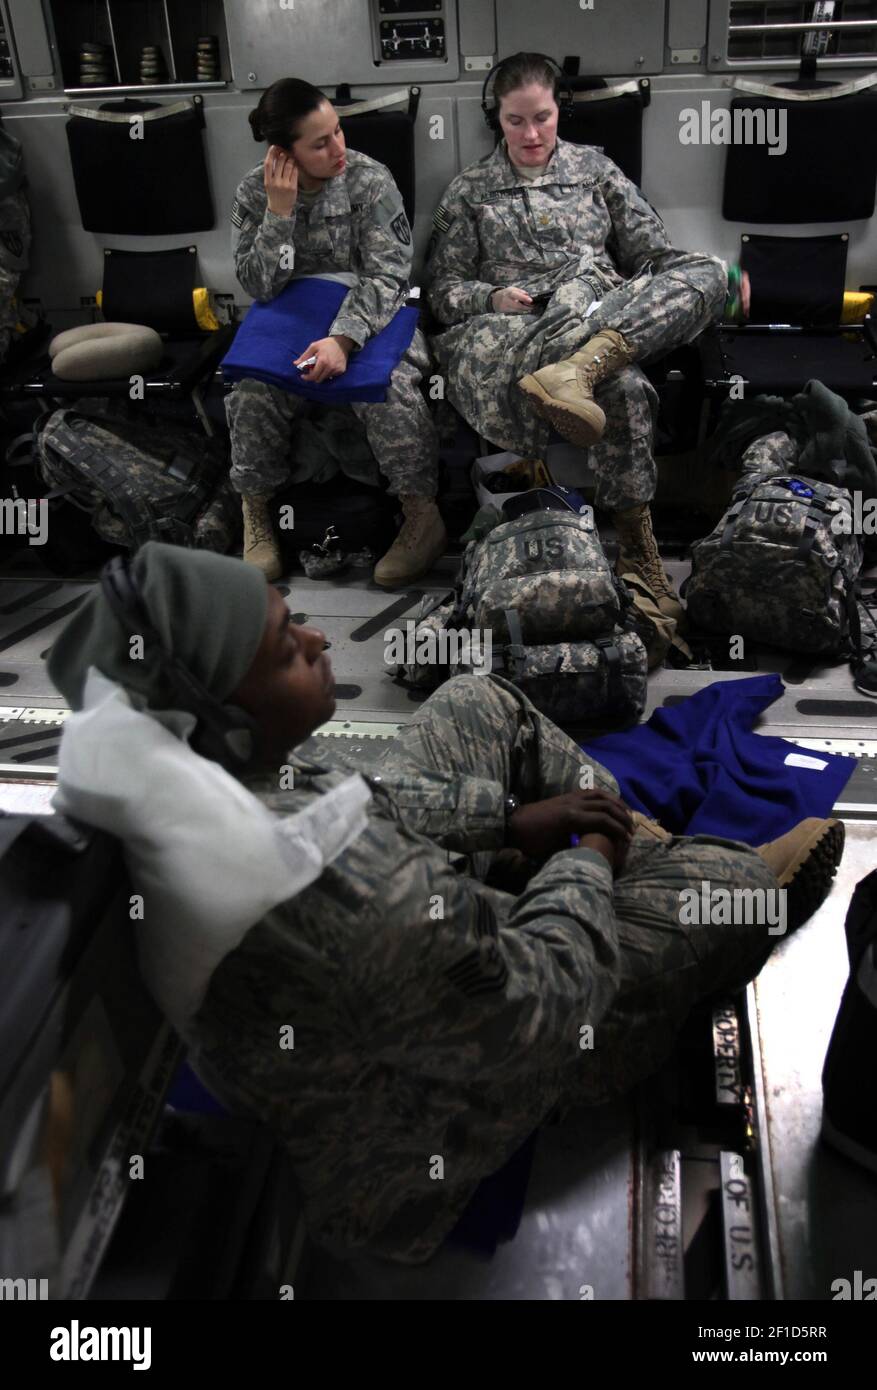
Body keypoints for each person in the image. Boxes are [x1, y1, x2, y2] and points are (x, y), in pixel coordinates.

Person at [47, 545, 844, 1266]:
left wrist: (502, 818)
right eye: (288, 648)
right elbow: (544, 1006)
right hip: (459, 1108)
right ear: (224, 722)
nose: (321, 643)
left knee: (475, 699)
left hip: (421, 960)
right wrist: (588, 867)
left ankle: (639, 843)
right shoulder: (337, 891)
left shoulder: (210, 783)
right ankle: (674, 863)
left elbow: (359, 799)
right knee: (731, 893)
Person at [424, 52, 732, 620]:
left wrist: (688, 290)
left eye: (541, 117)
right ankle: (639, 552)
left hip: (599, 312)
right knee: (628, 391)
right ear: (497, 119)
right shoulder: (468, 191)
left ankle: (581, 369)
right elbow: (442, 292)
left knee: (713, 270)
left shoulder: (596, 171)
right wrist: (489, 296)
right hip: (516, 328)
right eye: (515, 121)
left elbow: (655, 257)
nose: (531, 133)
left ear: (558, 111)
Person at [227, 78, 444, 587]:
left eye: (338, 132)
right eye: (320, 143)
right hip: (289, 312)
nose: (338, 149)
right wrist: (279, 215)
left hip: (372, 310)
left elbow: (390, 276)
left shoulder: (370, 180)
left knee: (391, 389)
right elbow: (259, 284)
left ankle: (421, 517)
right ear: (285, 152)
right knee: (251, 390)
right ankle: (256, 513)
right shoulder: (253, 191)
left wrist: (343, 338)